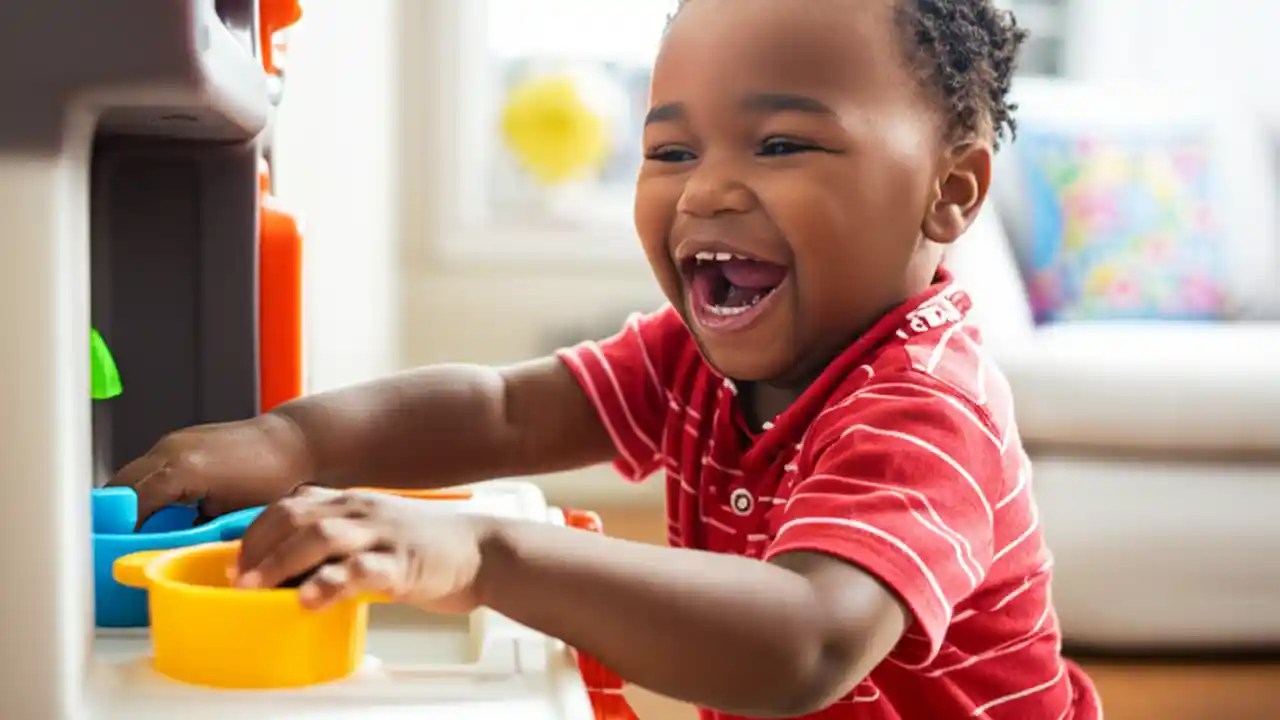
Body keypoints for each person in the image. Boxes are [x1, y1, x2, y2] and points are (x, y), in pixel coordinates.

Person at [111, 0, 1101, 717]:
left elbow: (806, 637)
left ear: (949, 193)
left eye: (781, 145)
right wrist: (292, 441)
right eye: (671, 152)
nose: (705, 191)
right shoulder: (696, 358)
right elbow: (505, 412)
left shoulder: (925, 412)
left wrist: (483, 554)